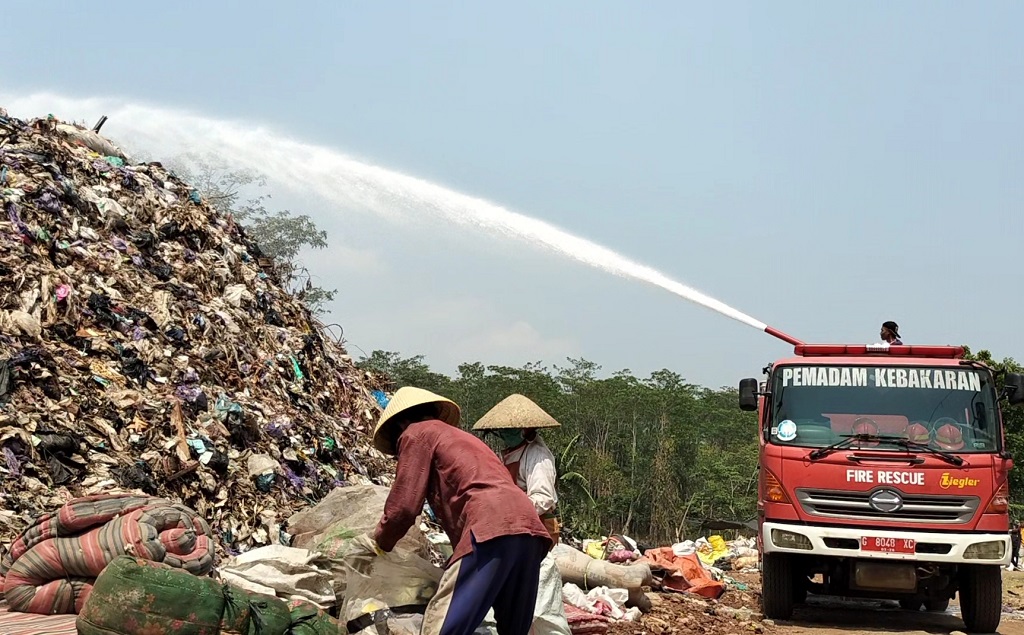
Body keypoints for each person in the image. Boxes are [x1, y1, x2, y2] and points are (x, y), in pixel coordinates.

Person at [370, 387, 552, 635]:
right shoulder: (462, 438)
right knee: (514, 629)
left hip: (490, 529)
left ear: (401, 423)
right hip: (530, 531)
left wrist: (380, 544)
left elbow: (403, 507)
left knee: (444, 627)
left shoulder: (415, 434)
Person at [473, 394, 571, 635]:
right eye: (502, 430)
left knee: (538, 600)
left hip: (536, 534)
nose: (505, 434)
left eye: (510, 429)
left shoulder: (537, 455)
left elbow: (543, 498)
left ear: (526, 429)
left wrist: (509, 510)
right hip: (515, 533)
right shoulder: (509, 453)